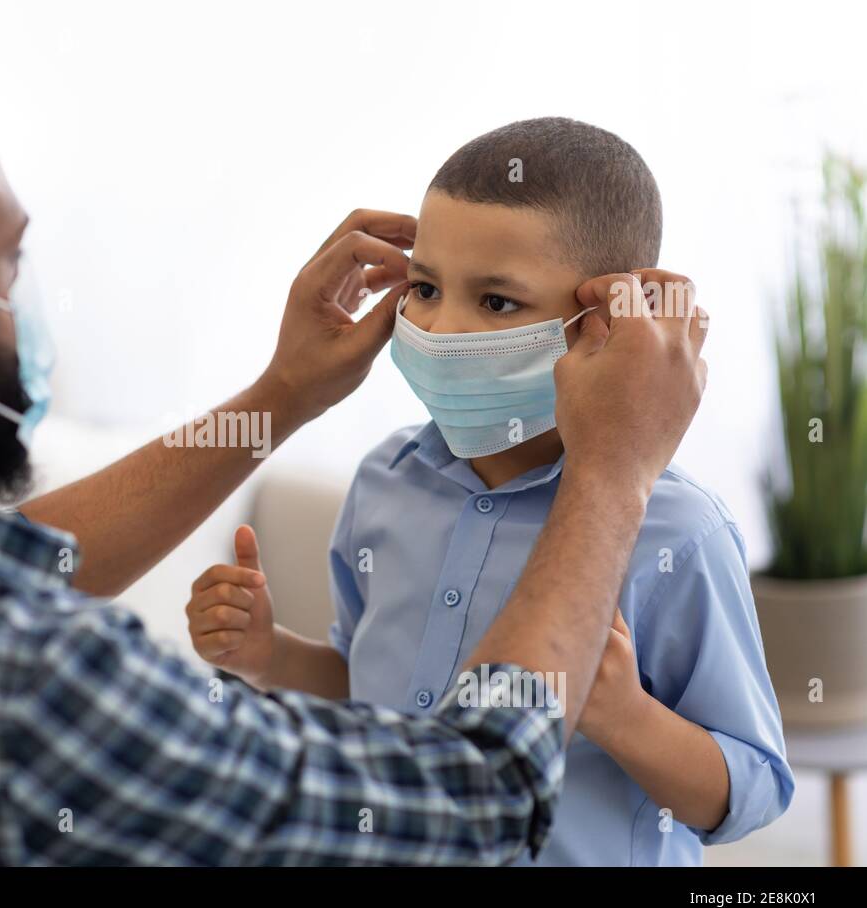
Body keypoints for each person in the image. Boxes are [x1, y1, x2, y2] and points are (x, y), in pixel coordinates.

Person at [0, 49, 706, 865]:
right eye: (8, 263)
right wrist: (612, 470)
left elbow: (10, 558)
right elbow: (478, 797)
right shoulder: (32, 691)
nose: (28, 298)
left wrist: (278, 394)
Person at [186, 118, 792, 866]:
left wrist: (625, 716)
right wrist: (267, 655)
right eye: (426, 287)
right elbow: (364, 688)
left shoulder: (676, 531)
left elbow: (754, 787)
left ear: (604, 319)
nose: (441, 328)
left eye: (497, 302)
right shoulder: (385, 480)